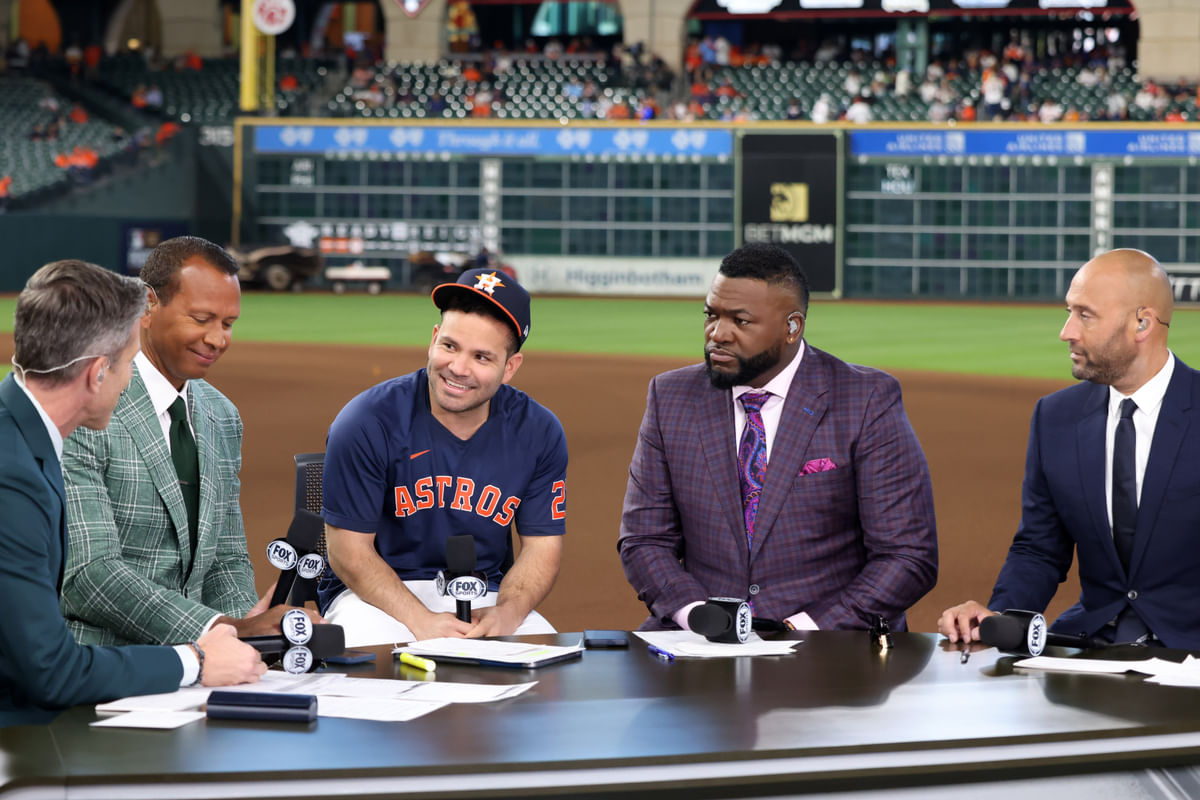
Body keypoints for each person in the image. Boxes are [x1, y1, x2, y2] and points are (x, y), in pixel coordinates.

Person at [619, 243, 938, 632]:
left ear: (792, 327)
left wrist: (800, 629)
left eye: (740, 320)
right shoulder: (670, 396)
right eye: (711, 315)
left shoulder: (866, 400)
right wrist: (698, 616)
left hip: (829, 643)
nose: (717, 334)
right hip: (699, 636)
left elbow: (907, 556)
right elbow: (645, 540)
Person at [0, 260, 264, 727]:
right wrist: (198, 659)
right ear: (97, 373)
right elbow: (50, 670)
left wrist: (239, 642)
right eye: (125, 365)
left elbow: (226, 554)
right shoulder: (12, 474)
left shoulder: (22, 440)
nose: (129, 383)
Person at [60, 236, 318, 647]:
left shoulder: (222, 415)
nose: (218, 339)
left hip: (201, 663)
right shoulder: (88, 404)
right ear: (147, 306)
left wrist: (250, 630)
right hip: (102, 666)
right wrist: (220, 629)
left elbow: (226, 558)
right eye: (201, 319)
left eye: (228, 324)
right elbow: (90, 575)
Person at [939, 249, 1200, 648]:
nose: (1067, 331)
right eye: (1069, 312)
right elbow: (1040, 548)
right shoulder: (1055, 416)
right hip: (1090, 640)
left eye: (1085, 315)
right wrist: (1003, 616)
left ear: (1142, 322)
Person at [320, 268, 567, 646]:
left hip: (483, 595)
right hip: (373, 598)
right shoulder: (367, 420)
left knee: (546, 656)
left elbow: (541, 547)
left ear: (510, 368)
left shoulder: (539, 431)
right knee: (373, 658)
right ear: (433, 339)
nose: (458, 368)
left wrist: (509, 611)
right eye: (450, 346)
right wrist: (422, 621)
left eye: (482, 357)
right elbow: (348, 552)